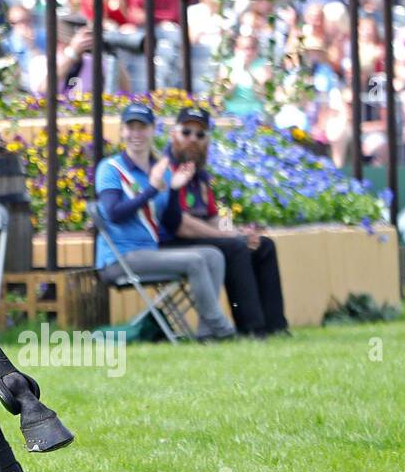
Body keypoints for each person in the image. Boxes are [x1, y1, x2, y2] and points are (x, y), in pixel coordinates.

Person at [93, 103, 237, 341]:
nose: (136, 133)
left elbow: (170, 220)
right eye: (131, 127)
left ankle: (206, 331)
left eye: (143, 127)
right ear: (122, 131)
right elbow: (114, 213)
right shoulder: (110, 169)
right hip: (119, 258)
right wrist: (152, 188)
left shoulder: (161, 170)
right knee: (195, 261)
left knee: (213, 255)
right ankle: (222, 328)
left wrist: (172, 189)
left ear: (152, 130)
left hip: (148, 252)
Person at [159, 107, 290, 337]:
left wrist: (238, 231)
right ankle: (252, 329)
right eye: (186, 132)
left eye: (200, 135)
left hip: (200, 241)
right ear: (173, 135)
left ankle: (276, 326)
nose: (192, 139)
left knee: (262, 245)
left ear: (207, 141)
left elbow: (212, 216)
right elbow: (181, 224)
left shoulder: (199, 175)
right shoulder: (165, 170)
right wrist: (229, 237)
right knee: (235, 247)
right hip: (169, 243)